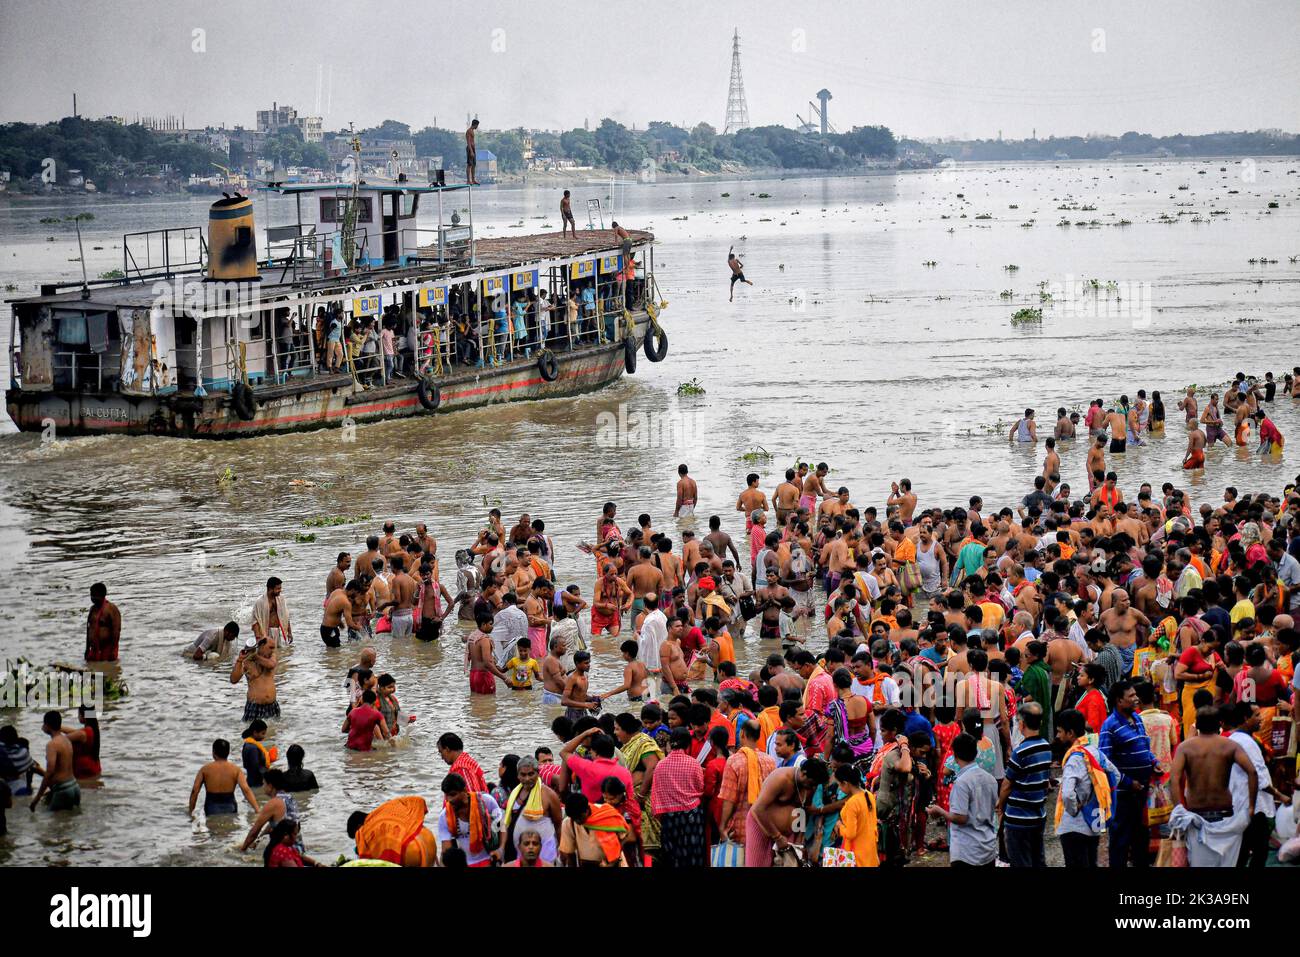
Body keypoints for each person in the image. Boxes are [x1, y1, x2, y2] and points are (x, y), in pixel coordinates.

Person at [1168, 706, 1257, 867]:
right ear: (1220, 724)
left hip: (1196, 814)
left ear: (1197, 725)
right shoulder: (1230, 745)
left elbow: (1174, 779)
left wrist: (1178, 808)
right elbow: (1252, 772)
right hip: (1226, 815)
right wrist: (1251, 806)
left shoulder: (1186, 747)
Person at [1099, 680, 1158, 867]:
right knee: (1120, 840)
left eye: (1135, 695)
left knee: (1141, 837)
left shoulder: (1137, 719)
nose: (1136, 699)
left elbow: (1143, 746)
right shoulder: (1110, 726)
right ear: (1119, 701)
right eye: (1131, 696)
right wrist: (1127, 782)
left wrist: (1153, 761)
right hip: (1123, 795)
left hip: (1141, 791)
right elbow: (1105, 762)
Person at [1053, 708, 1118, 867]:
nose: (1058, 736)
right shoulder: (1094, 751)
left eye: (1060, 732)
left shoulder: (1074, 759)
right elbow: (1115, 775)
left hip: (1073, 827)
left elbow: (1068, 794)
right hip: (1093, 823)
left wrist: (1074, 808)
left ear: (1071, 733)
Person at [745, 757, 831, 866]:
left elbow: (805, 809)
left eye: (816, 785)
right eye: (812, 783)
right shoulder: (781, 778)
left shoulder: (810, 785)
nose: (813, 787)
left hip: (788, 834)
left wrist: (800, 837)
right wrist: (777, 836)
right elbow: (759, 809)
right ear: (803, 774)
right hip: (762, 826)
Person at [999, 703, 1052, 867]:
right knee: (1037, 859)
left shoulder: (1020, 751)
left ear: (1021, 724)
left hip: (1018, 818)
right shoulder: (1045, 746)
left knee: (1021, 861)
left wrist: (1001, 807)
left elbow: (1007, 784)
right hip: (1038, 815)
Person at [650, 728, 707, 867]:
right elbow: (700, 788)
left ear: (670, 743)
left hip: (669, 817)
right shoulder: (694, 764)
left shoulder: (660, 765)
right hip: (692, 815)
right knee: (694, 853)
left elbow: (656, 792)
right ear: (688, 744)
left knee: (672, 856)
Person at [437, 772, 503, 866]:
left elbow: (502, 827)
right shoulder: (444, 816)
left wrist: (501, 850)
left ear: (464, 790)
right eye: (446, 795)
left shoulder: (486, 801)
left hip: (490, 859)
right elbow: (446, 849)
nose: (449, 800)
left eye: (453, 794)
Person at [188, 738, 259, 817]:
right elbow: (246, 790)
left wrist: (191, 811)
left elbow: (195, 791)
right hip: (230, 806)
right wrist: (257, 809)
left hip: (211, 807)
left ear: (213, 752)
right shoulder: (236, 770)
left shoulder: (205, 769)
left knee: (212, 828)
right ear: (228, 752)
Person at [830, 764, 879, 866]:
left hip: (856, 853)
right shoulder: (869, 795)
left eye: (839, 784)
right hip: (870, 849)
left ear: (846, 783)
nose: (839, 788)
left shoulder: (852, 803)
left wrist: (839, 826)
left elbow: (850, 834)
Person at [29, 711, 78, 812]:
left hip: (63, 790)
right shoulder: (66, 740)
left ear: (47, 725)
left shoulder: (52, 745)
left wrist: (37, 798)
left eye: (43, 724)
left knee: (51, 823)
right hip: (74, 786)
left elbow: (49, 773)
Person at [230, 635, 279, 722]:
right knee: (252, 733)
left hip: (272, 706)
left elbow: (271, 665)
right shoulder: (247, 662)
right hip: (255, 706)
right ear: (261, 646)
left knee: (273, 733)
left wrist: (255, 656)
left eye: (273, 648)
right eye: (270, 647)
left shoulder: (272, 657)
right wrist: (240, 660)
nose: (272, 651)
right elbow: (234, 680)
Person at [85, 582, 121, 662]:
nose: (92, 597)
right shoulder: (92, 609)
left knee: (105, 672)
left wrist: (112, 650)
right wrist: (87, 648)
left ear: (102, 595)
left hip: (107, 649)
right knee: (89, 672)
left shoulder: (111, 609)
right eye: (91, 595)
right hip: (94, 649)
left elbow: (116, 631)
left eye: (94, 595)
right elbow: (88, 629)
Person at [465, 118, 480, 185]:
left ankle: (473, 180)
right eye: (477, 125)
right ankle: (468, 180)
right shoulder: (469, 131)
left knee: (474, 165)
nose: (477, 127)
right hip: (470, 148)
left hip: (473, 148)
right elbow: (468, 141)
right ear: (475, 124)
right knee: (469, 165)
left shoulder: (472, 131)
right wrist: (471, 151)